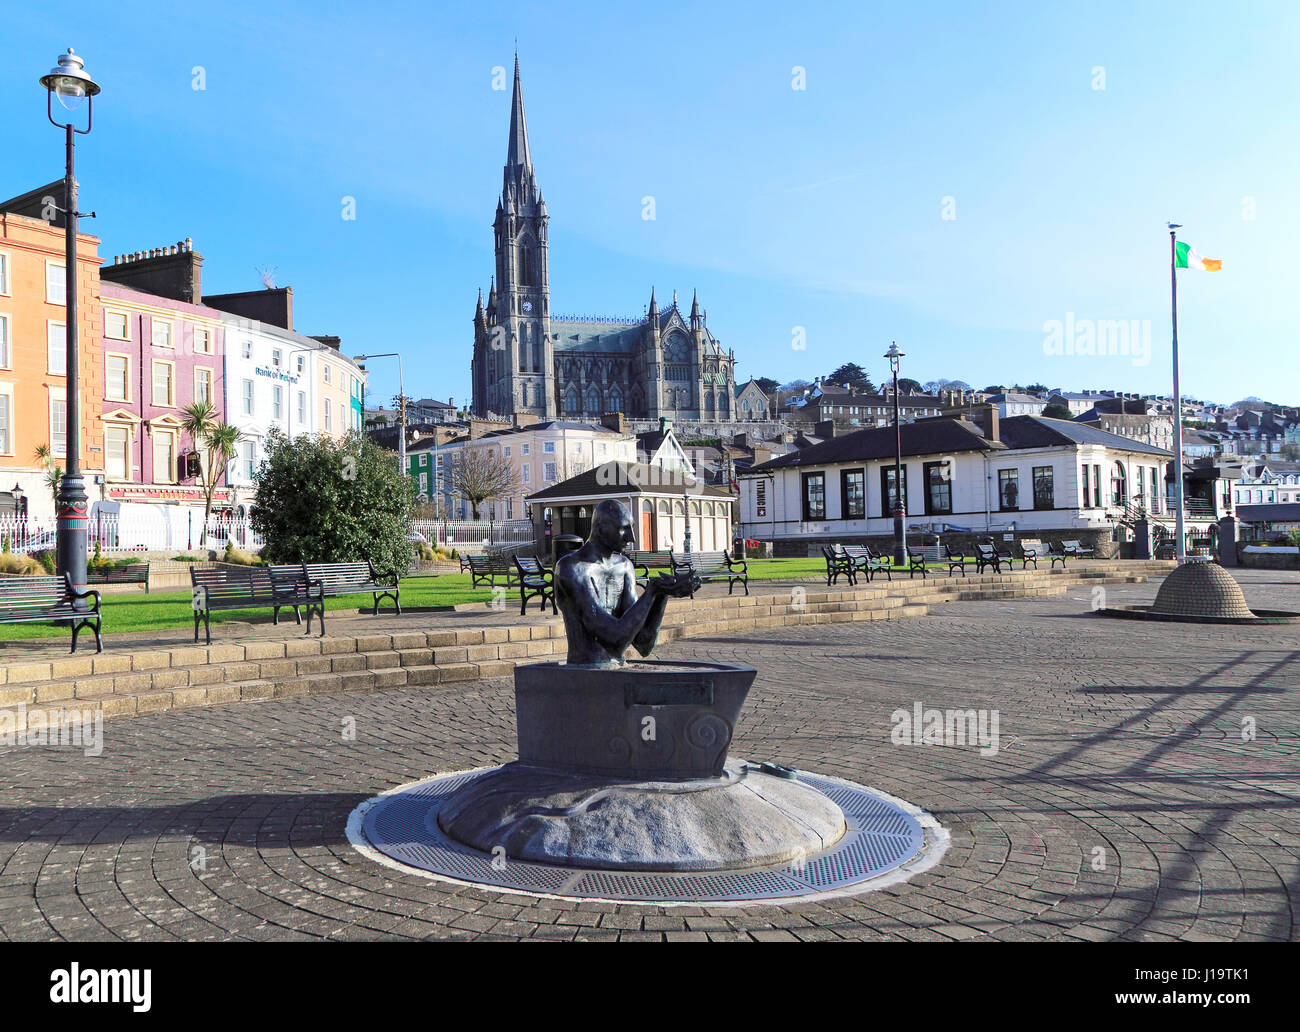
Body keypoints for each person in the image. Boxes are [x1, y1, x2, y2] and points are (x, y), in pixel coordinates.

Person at [554, 499, 695, 666]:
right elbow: (615, 640)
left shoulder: (624, 566)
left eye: (632, 528)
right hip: (585, 671)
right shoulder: (571, 568)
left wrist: (662, 593)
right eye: (623, 529)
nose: (632, 537)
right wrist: (651, 592)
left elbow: (644, 644)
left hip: (618, 668)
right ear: (600, 528)